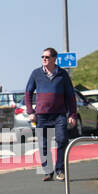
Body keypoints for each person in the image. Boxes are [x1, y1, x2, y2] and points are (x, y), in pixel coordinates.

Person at [24, 47, 78, 181]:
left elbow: (70, 96)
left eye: (47, 57)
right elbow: (28, 93)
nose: (44, 59)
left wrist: (72, 114)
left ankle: (60, 170)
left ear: (54, 59)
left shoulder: (63, 75)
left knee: (62, 140)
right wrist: (31, 111)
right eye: (42, 57)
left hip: (59, 114)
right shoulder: (36, 73)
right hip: (42, 115)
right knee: (43, 144)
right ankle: (48, 171)